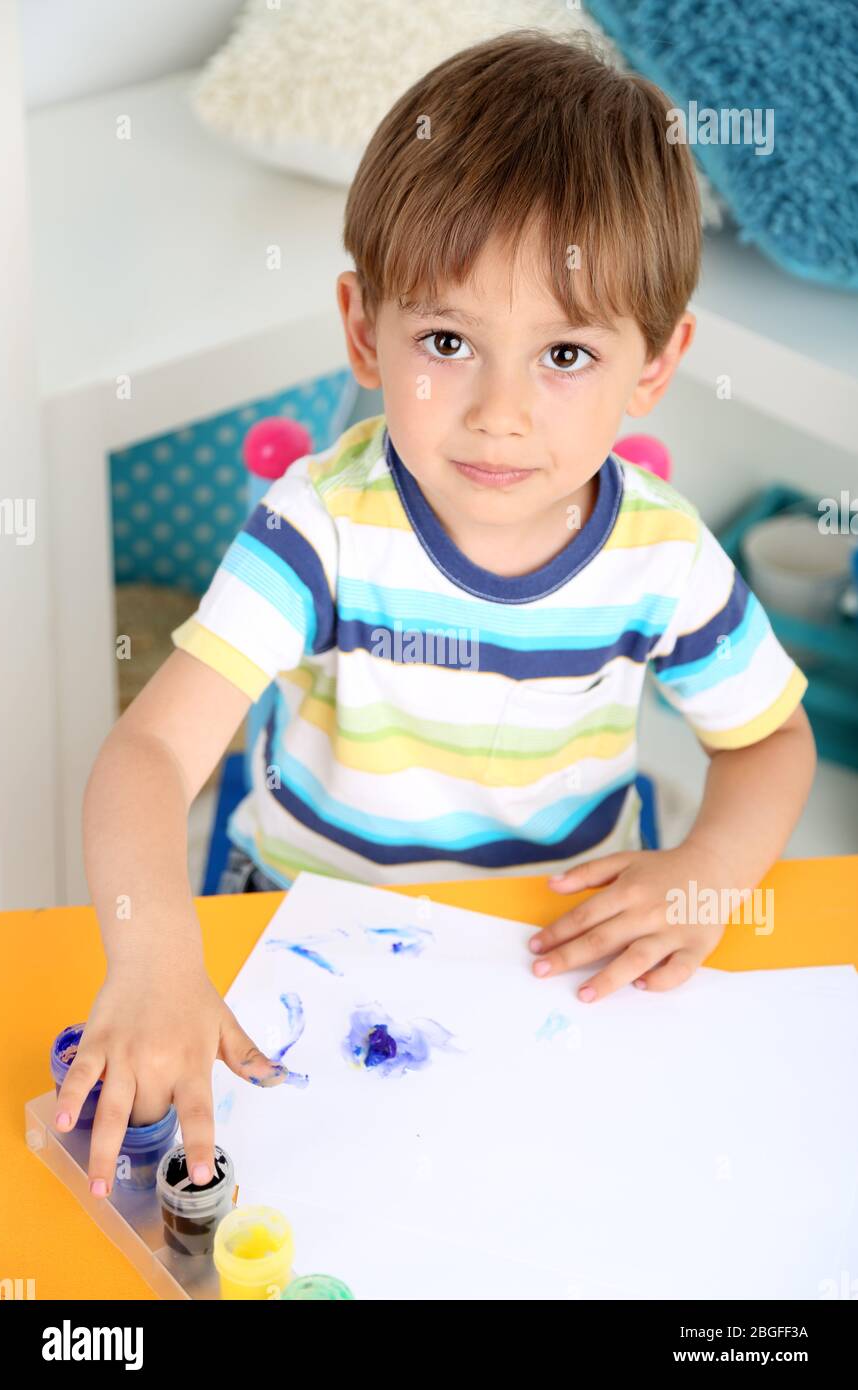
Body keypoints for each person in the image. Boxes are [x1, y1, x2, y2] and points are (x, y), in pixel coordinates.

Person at [63, 32, 815, 1199]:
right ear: (365, 329)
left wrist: (706, 870)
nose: (498, 414)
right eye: (448, 342)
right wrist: (155, 954)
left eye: (564, 352)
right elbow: (150, 750)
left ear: (655, 365)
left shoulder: (661, 557)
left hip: (545, 950)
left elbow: (769, 738)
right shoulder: (318, 525)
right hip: (302, 928)